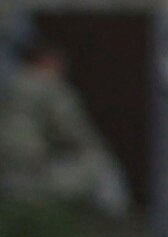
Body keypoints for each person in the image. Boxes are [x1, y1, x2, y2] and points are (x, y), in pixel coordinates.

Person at [0, 18, 134, 220]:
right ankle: (117, 221)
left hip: (13, 171)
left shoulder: (12, 84)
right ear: (47, 61)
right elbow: (73, 129)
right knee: (98, 163)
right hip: (28, 175)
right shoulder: (46, 85)